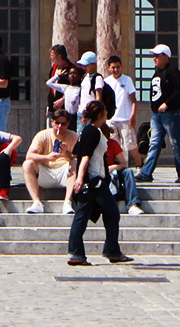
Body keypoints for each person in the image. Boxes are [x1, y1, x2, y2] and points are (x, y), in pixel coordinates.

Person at [65, 96, 131, 267]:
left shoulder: (88, 131)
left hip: (94, 181)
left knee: (83, 215)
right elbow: (85, 156)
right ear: (101, 114)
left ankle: (76, 253)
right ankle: (110, 251)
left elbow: (76, 152)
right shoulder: (93, 132)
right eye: (105, 111)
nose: (107, 113)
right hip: (94, 181)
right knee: (111, 213)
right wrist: (79, 179)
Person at [138, 44, 180, 185]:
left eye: (157, 55)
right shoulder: (156, 73)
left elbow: (179, 90)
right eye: (153, 56)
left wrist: (167, 104)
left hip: (170, 114)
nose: (154, 58)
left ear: (166, 57)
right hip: (157, 115)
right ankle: (146, 173)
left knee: (175, 142)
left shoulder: (173, 72)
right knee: (154, 143)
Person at [21, 109, 76, 213]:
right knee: (27, 164)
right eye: (57, 123)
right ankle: (36, 202)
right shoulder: (42, 135)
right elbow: (29, 155)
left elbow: (78, 158)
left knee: (75, 163)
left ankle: (68, 202)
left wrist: (67, 154)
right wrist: (47, 157)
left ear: (68, 124)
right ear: (52, 122)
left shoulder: (73, 136)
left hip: (64, 173)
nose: (60, 126)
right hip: (45, 172)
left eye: (63, 124)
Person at [103, 55, 139, 166]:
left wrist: (132, 116)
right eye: (113, 67)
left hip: (125, 119)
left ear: (121, 67)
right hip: (111, 120)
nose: (116, 70)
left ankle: (139, 165)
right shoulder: (106, 81)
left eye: (118, 67)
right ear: (108, 68)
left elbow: (133, 100)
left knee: (130, 145)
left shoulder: (127, 80)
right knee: (115, 146)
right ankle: (120, 167)